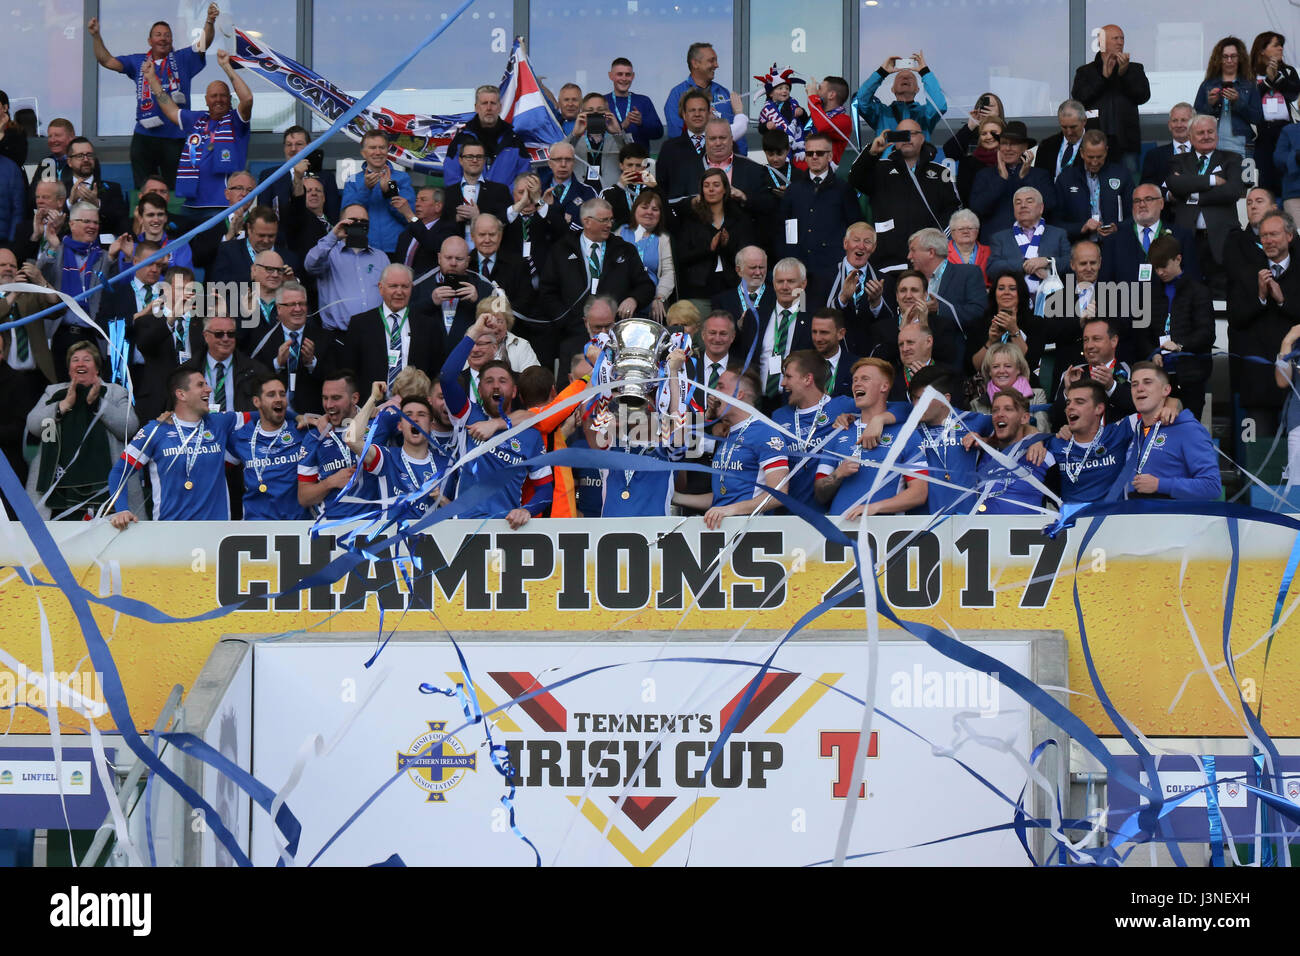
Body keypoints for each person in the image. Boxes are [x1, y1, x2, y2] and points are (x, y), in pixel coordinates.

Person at [439, 312, 552, 527]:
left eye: (503, 381)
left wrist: (526, 510)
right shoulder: (467, 415)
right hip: (464, 525)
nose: (496, 386)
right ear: (480, 390)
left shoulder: (530, 435)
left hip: (507, 529)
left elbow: (545, 488)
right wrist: (474, 332)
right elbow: (447, 377)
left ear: (514, 390)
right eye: (489, 381)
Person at [88, 5, 218, 189]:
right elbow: (107, 61)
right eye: (158, 34)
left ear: (172, 39)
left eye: (167, 35)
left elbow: (204, 43)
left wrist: (210, 21)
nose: (163, 38)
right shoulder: (138, 61)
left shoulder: (183, 59)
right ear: (150, 40)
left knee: (175, 190)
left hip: (176, 136)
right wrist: (95, 36)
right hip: (145, 137)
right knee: (143, 189)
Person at [106, 364, 251, 525]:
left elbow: (266, 416)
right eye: (200, 385)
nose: (209, 389)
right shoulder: (155, 431)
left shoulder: (220, 422)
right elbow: (119, 471)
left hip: (216, 531)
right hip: (170, 533)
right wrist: (121, 509)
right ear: (181, 394)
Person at [26, 341, 140, 521]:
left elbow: (130, 426)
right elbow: (33, 425)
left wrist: (99, 404)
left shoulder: (115, 392)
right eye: (75, 360)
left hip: (106, 492)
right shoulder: (53, 391)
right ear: (69, 368)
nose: (80, 363)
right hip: (59, 491)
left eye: (87, 359)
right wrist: (63, 405)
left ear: (97, 368)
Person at [142, 48, 252, 213]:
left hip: (223, 206)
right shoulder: (198, 119)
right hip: (191, 205)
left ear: (230, 99)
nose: (218, 99)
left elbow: (248, 98)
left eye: (223, 95)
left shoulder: (236, 120)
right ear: (206, 100)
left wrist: (226, 67)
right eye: (214, 96)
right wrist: (152, 79)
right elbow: (171, 110)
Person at [673, 369, 787, 528]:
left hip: (751, 531)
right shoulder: (729, 433)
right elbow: (722, 498)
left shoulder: (764, 432)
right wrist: (675, 496)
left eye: (720, 387)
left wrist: (731, 510)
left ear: (738, 395)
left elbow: (779, 494)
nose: (713, 393)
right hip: (725, 530)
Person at [816, 358, 928, 519]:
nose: (857, 384)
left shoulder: (906, 433)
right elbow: (820, 494)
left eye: (865, 379)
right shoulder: (839, 430)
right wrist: (838, 474)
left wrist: (873, 508)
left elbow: (919, 493)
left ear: (884, 386)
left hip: (883, 532)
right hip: (838, 533)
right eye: (854, 380)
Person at [540, 197, 654, 348]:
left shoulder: (625, 250)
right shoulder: (562, 249)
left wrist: (634, 299)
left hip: (615, 334)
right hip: (573, 334)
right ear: (587, 222)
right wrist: (565, 320)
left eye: (611, 220)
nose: (609, 225)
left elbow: (646, 286)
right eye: (604, 220)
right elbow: (548, 290)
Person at [847, 120, 960, 269]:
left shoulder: (941, 173)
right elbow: (855, 179)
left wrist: (934, 239)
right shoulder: (880, 168)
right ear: (895, 141)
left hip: (926, 263)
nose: (907, 139)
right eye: (902, 135)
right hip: (886, 264)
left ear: (922, 138)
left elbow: (953, 210)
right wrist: (872, 153)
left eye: (912, 134)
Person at [1228, 210, 1300, 437]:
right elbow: (1236, 318)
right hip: (1259, 379)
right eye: (1264, 235)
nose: (1268, 240)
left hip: (1296, 380)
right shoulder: (1246, 269)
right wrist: (1259, 296)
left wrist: (1282, 301)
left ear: (1289, 236)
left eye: (1274, 234)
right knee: (1259, 456)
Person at [37, 201, 128, 370]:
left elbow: (113, 291)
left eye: (95, 222)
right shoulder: (57, 249)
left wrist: (113, 260)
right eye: (86, 221)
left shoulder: (103, 256)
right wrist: (52, 247)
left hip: (91, 335)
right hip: (60, 332)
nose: (92, 226)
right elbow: (39, 276)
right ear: (72, 224)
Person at [1116, 362, 1221, 500]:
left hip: (1174, 519)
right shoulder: (1134, 429)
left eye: (1148, 382)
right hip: (1137, 517)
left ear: (1166, 390)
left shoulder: (1188, 429)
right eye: (1134, 384)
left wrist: (1159, 485)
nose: (1139, 388)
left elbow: (1212, 486)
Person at [1167, 115, 1246, 296]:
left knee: (1222, 291)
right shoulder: (1178, 160)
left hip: (1221, 238)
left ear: (1217, 135)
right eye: (1200, 133)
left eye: (1210, 131)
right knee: (1188, 292)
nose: (1206, 136)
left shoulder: (1231, 159)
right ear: (1191, 137)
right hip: (1188, 238)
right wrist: (1211, 180)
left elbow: (1232, 191)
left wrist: (1192, 194)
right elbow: (1175, 185)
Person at [771, 349, 856, 511]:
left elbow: (897, 409)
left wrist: (879, 421)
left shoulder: (843, 406)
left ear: (807, 379)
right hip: (787, 516)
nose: (782, 383)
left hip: (829, 515)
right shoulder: (778, 417)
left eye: (788, 377)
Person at [346, 383, 444, 521]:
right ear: (400, 426)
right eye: (408, 415)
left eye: (421, 415)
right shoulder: (388, 458)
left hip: (431, 540)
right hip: (393, 539)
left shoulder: (446, 464)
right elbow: (351, 439)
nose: (414, 419)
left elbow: (461, 517)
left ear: (430, 425)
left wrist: (441, 499)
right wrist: (373, 398)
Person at [1144, 234, 1213, 421]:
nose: (1160, 272)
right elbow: (1142, 333)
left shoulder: (1199, 291)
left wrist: (1180, 345)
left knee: (1188, 429)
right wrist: (1153, 353)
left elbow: (1206, 333)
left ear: (1178, 259)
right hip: (1160, 377)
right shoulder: (1150, 293)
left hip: (1191, 376)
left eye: (1164, 266)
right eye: (1156, 267)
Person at [343, 264, 437, 396]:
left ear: (412, 288)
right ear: (381, 288)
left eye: (405, 286)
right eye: (393, 286)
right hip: (371, 407)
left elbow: (435, 371)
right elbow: (349, 373)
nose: (399, 292)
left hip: (413, 406)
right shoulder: (360, 324)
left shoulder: (428, 326)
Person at [781, 131, 861, 284]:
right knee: (801, 307)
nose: (814, 156)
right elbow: (784, 228)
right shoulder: (794, 190)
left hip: (834, 269)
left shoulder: (843, 189)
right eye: (810, 153)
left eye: (819, 153)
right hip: (799, 271)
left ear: (830, 156)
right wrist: (790, 257)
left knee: (835, 307)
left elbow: (855, 227)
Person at [906, 367, 988, 514]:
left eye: (923, 399)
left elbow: (1015, 428)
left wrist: (985, 440)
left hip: (966, 518)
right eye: (914, 398)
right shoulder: (909, 429)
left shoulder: (972, 421)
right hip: (922, 522)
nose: (916, 405)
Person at [225, 374, 309, 520]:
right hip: (257, 526)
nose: (278, 399)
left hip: (298, 526)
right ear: (257, 401)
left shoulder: (302, 432)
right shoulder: (241, 437)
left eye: (282, 394)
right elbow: (217, 469)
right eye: (271, 395)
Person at [1070, 24, 1151, 172]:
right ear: (1102, 42)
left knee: (1128, 185)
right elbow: (1079, 98)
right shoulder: (1085, 71)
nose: (1120, 42)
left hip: (1126, 142)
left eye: (1122, 38)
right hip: (1094, 142)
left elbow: (1143, 96)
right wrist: (1103, 78)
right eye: (1115, 38)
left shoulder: (1135, 69)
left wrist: (1124, 74)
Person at [303, 204, 390, 341]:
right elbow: (310, 264)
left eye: (364, 221)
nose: (359, 224)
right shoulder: (329, 253)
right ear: (342, 223)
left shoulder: (380, 257)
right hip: (338, 337)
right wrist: (333, 236)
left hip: (375, 335)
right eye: (353, 220)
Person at [676, 168, 758, 310]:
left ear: (725, 189)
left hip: (731, 287)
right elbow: (682, 255)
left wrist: (727, 246)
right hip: (699, 290)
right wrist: (709, 249)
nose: (711, 190)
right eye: (706, 186)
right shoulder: (692, 219)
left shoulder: (739, 217)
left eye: (716, 185)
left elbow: (747, 255)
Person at [249, 281, 331, 416]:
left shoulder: (324, 338)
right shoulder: (263, 339)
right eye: (292, 304)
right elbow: (254, 381)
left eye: (302, 304)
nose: (298, 309)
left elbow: (333, 379)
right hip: (274, 416)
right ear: (279, 308)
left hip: (312, 416)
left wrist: (312, 363)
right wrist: (277, 364)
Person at [1046, 379, 1134, 503]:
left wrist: (1171, 403)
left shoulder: (1117, 433)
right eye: (1068, 403)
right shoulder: (1056, 443)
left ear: (1098, 408)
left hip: (1108, 518)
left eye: (1079, 402)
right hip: (1072, 520)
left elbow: (1152, 410)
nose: (1070, 407)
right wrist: (1034, 437)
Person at [969, 122, 1058, 241]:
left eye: (1014, 144)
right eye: (1004, 143)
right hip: (995, 246)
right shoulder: (984, 175)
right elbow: (977, 208)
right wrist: (1001, 179)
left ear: (1025, 147)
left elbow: (1049, 205)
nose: (1008, 148)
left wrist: (1025, 177)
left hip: (1032, 245)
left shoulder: (1039, 175)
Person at [966, 389, 1050, 514]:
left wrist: (1035, 438)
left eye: (1008, 409)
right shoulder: (981, 452)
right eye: (995, 410)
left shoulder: (1043, 454)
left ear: (1024, 418)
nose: (1000, 414)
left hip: (1029, 532)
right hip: (985, 531)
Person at [295, 370, 366, 518]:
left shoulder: (377, 425)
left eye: (336, 398)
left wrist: (376, 409)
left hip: (373, 525)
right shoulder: (314, 436)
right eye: (325, 398)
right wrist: (330, 482)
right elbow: (304, 497)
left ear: (355, 398)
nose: (328, 405)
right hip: (332, 526)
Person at [814, 223, 892, 356]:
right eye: (856, 240)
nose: (861, 246)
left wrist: (876, 303)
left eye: (867, 242)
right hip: (834, 356)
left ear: (873, 248)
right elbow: (817, 319)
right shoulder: (823, 278)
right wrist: (842, 298)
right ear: (845, 244)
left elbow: (890, 325)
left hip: (871, 357)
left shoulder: (885, 281)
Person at [0, 247, 59, 415]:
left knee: (36, 430)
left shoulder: (29, 294)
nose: (9, 268)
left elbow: (57, 308)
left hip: (35, 377)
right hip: (4, 377)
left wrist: (40, 280)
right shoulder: (18, 293)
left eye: (12, 265)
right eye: (2, 264)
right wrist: (12, 294)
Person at [1049, 316, 1134, 430]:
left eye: (1096, 339)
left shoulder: (1128, 371)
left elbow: (1138, 407)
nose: (1089, 346)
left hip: (1118, 443)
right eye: (1086, 340)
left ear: (1113, 341)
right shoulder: (1073, 374)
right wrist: (1068, 392)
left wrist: (1111, 387)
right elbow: (1055, 420)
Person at [339, 130, 416, 257]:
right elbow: (347, 219)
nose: (378, 152)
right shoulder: (352, 180)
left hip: (396, 248)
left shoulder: (402, 178)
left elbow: (408, 217)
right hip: (363, 247)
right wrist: (366, 189)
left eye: (382, 147)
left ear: (387, 151)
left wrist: (389, 192)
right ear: (363, 153)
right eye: (372, 148)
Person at [905, 226, 986, 347]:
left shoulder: (968, 273)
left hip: (955, 353)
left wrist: (939, 309)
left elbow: (978, 312)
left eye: (913, 250)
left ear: (931, 252)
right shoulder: (911, 281)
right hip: (919, 351)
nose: (909, 256)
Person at [986, 187, 1072, 300]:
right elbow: (992, 269)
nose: (1023, 205)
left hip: (1052, 300)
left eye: (1029, 201)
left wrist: (1047, 261)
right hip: (1014, 301)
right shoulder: (1000, 238)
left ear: (1041, 208)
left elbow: (1070, 264)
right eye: (1018, 202)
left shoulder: (1058, 234)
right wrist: (1025, 265)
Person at [663, 42, 747, 154]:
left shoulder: (723, 92)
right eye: (711, 60)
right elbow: (676, 134)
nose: (717, 65)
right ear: (695, 63)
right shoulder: (677, 94)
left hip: (724, 166)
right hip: (691, 163)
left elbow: (736, 133)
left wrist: (741, 157)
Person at [1053, 129, 1133, 242]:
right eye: (1090, 157)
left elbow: (1135, 216)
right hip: (1079, 246)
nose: (1095, 162)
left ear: (1106, 151)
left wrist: (1118, 228)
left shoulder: (1122, 175)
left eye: (1099, 156)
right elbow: (1055, 222)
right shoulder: (1066, 179)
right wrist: (1081, 227)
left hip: (1114, 244)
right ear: (1081, 153)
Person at [443, 85, 530, 188]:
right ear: (476, 107)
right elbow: (451, 178)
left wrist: (504, 198)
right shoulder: (460, 140)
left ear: (500, 107)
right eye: (484, 103)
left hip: (506, 203)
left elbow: (524, 177)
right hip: (469, 203)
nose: (489, 108)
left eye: (493, 103)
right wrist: (470, 199)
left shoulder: (515, 141)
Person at [1194, 37, 1264, 159]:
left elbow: (1257, 118)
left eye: (1233, 56)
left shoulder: (1249, 85)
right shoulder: (1208, 85)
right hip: (1211, 146)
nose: (1229, 60)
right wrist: (1210, 104)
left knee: (1241, 179)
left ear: (1240, 58)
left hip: (1241, 146)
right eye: (1225, 57)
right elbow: (1195, 119)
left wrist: (1238, 102)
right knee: (1213, 179)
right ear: (1219, 60)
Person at [426, 235, 495, 357]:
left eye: (459, 259)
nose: (453, 263)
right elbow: (408, 315)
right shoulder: (421, 283)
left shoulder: (484, 286)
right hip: (429, 357)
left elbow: (500, 322)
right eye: (448, 258)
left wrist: (478, 302)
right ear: (439, 258)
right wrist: (430, 301)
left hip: (469, 358)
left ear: (468, 261)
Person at [757, 258, 814, 404]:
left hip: (795, 400)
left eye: (791, 281)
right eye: (780, 281)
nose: (785, 287)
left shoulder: (812, 318)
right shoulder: (757, 315)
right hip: (757, 401)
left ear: (803, 284)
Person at [854, 51, 947, 140]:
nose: (905, 78)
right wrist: (881, 72)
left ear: (917, 89)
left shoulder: (924, 114)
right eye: (900, 77)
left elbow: (939, 106)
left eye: (910, 77)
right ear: (892, 89)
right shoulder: (881, 114)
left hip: (917, 157)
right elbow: (861, 101)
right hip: (887, 157)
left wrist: (925, 72)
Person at [437, 140, 513, 247]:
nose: (474, 160)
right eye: (469, 156)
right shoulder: (449, 192)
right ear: (460, 160)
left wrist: (478, 217)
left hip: (489, 253)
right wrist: (456, 219)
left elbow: (508, 221)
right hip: (456, 255)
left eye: (479, 156)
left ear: (484, 160)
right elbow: (439, 227)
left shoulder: (500, 190)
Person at [257, 125, 341, 222]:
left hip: (316, 234)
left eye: (299, 144)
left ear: (309, 147)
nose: (293, 149)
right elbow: (262, 215)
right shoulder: (270, 176)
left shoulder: (326, 177)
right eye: (289, 144)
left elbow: (333, 216)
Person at [194, 312, 269, 414]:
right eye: (219, 334)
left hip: (241, 428)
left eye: (231, 334)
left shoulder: (255, 371)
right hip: (201, 427)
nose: (226, 339)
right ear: (206, 336)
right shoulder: (190, 369)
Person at [618, 190, 675, 323]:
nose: (649, 212)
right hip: (623, 301)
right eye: (644, 207)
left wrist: (659, 298)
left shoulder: (663, 238)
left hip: (652, 303)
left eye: (655, 209)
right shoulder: (620, 232)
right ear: (634, 210)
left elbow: (668, 272)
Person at [1254, 32, 1300, 195]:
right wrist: (1267, 81)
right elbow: (1251, 99)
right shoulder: (1250, 73)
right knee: (1266, 179)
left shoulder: (1288, 71)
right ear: (1262, 50)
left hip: (1285, 129)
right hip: (1263, 131)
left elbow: (1293, 93)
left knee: (1286, 173)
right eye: (1275, 45)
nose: (1281, 48)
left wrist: (1278, 78)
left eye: (1281, 45)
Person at [710, 244, 773, 361]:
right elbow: (717, 340)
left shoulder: (777, 297)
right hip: (735, 366)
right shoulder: (721, 301)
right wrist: (738, 327)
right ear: (738, 270)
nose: (758, 272)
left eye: (762, 267)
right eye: (753, 268)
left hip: (768, 364)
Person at [970, 342, 1049, 432]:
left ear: (1019, 369)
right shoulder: (976, 405)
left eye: (1008, 366)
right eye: (995, 367)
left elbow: (1043, 432)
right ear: (989, 371)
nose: (1002, 371)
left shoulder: (1038, 396)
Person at [969, 269, 1035, 376]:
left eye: (1012, 289)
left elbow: (1030, 364)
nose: (1006, 292)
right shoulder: (978, 324)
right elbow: (972, 368)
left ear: (1021, 293)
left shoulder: (1035, 323)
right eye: (1001, 288)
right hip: (987, 385)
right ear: (994, 293)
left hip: (1023, 386)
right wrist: (990, 342)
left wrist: (1014, 331)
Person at [655, 89, 714, 207]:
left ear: (709, 113)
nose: (697, 114)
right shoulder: (669, 149)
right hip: (681, 218)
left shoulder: (723, 145)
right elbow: (661, 188)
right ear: (684, 114)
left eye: (701, 110)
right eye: (692, 110)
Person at [59, 137, 129, 236]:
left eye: (89, 155)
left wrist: (98, 204)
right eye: (80, 156)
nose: (86, 159)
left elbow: (122, 225)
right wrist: (70, 203)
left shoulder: (112, 189)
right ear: (69, 162)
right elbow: (54, 226)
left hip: (102, 247)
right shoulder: (59, 189)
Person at [568, 93, 627, 191]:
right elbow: (558, 156)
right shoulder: (574, 141)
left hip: (610, 197)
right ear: (582, 114)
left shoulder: (618, 139)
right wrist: (575, 135)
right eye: (590, 111)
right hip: (580, 197)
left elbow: (632, 158)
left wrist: (618, 133)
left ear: (608, 113)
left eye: (600, 110)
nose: (595, 114)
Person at [945, 114, 1004, 211]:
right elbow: (965, 197)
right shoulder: (968, 163)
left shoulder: (1011, 160)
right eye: (984, 133)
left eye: (993, 132)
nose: (989, 137)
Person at [605, 57, 665, 150]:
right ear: (610, 76)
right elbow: (595, 136)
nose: (624, 78)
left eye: (627, 74)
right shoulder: (603, 102)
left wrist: (642, 123)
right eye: (619, 74)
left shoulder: (644, 101)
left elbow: (658, 133)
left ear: (633, 76)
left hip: (639, 161)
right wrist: (622, 126)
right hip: (610, 160)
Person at [1140, 103, 1196, 201]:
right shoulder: (1154, 155)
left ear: (1194, 124)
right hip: (1166, 211)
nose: (1179, 125)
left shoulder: (1204, 152)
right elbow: (1147, 186)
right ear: (1169, 125)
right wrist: (1168, 195)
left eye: (1184, 120)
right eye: (1175, 120)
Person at [755, 65, 807, 165]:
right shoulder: (767, 110)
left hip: (797, 147)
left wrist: (802, 112)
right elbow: (761, 129)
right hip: (778, 150)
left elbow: (806, 123)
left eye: (787, 88)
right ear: (770, 93)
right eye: (780, 88)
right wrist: (766, 126)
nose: (784, 91)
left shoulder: (794, 104)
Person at [132, 191, 192, 271]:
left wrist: (166, 268)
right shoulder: (132, 247)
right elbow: (125, 281)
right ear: (140, 219)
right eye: (150, 215)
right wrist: (127, 260)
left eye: (160, 214)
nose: (156, 220)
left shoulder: (179, 246)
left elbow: (182, 281)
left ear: (166, 218)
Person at [392, 186, 443, 276]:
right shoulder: (406, 233)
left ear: (437, 206)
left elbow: (430, 242)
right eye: (416, 200)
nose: (417, 204)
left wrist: (409, 214)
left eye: (423, 200)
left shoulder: (446, 229)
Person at [804, 75, 853, 166]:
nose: (816, 91)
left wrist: (812, 97)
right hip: (801, 173)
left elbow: (823, 126)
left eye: (820, 88)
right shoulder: (816, 115)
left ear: (831, 95)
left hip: (823, 175)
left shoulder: (844, 120)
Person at [1033, 100, 1088, 179]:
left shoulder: (1097, 144)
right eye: (1064, 127)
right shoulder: (1046, 146)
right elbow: (1039, 178)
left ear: (1084, 121)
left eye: (1073, 127)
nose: (1069, 132)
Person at [602, 142, 651, 227]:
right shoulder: (607, 193)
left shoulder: (653, 192)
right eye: (629, 165)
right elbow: (601, 219)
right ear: (621, 166)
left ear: (644, 167)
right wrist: (620, 187)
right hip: (618, 238)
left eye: (638, 165)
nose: (633, 169)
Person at [810, 309, 857, 399]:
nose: (817, 338)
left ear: (841, 334)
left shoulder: (857, 367)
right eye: (814, 332)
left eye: (824, 332)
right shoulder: (801, 365)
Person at [893, 322, 938, 401]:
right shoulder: (890, 378)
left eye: (910, 342)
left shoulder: (950, 376)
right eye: (901, 344)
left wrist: (929, 385)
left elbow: (952, 411)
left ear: (928, 342)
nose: (905, 349)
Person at [948, 209, 991, 284]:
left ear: (977, 231)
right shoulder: (941, 253)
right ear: (952, 233)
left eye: (970, 228)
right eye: (961, 229)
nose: (965, 232)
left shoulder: (989, 252)